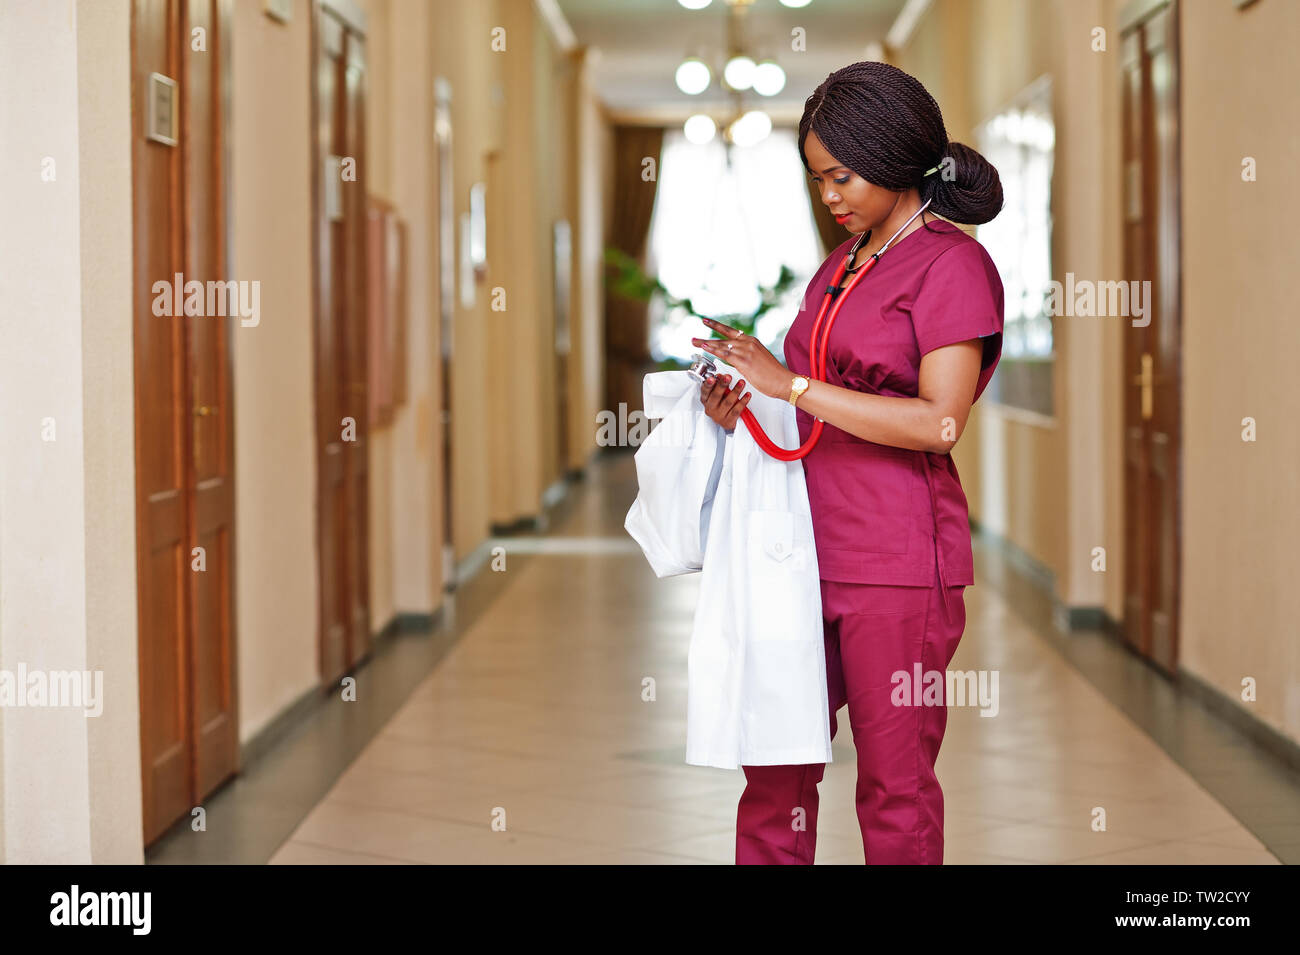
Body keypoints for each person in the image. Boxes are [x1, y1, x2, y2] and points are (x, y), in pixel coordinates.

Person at [689, 61, 1005, 865]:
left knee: (894, 785)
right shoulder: (838, 267)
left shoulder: (950, 264)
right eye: (818, 178)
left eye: (842, 175)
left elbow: (940, 422)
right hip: (797, 553)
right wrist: (748, 405)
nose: (829, 195)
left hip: (897, 565)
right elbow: (810, 405)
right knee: (774, 774)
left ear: (897, 157)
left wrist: (788, 381)